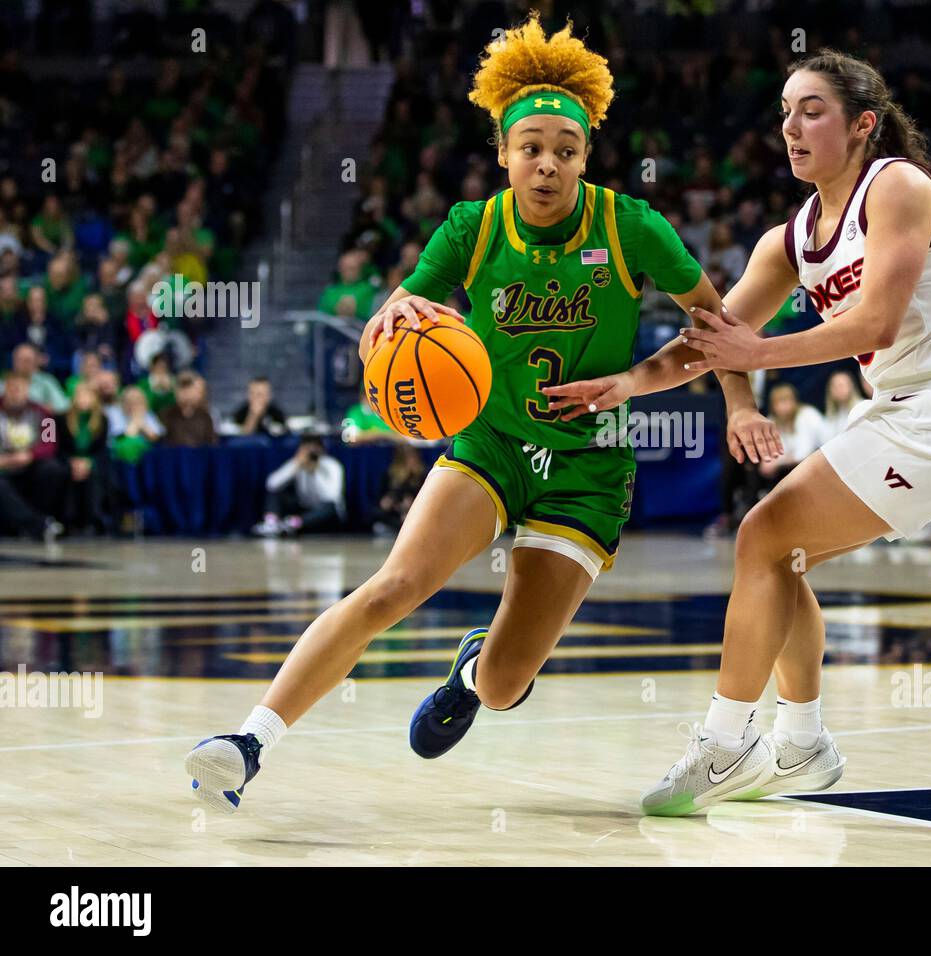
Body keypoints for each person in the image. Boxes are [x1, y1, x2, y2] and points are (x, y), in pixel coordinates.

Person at [183, 17, 769, 815]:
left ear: (586, 156)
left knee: (502, 682)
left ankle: (471, 673)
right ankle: (248, 743)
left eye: (566, 148)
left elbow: (718, 332)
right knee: (392, 587)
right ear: (503, 152)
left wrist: (640, 384)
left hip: (588, 471)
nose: (548, 164)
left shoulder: (633, 226)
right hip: (492, 442)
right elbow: (407, 304)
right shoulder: (474, 226)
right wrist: (385, 325)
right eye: (531, 147)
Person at [550, 49, 931, 814]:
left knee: (760, 538)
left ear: (863, 125)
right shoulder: (788, 239)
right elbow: (711, 337)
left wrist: (758, 356)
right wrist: (627, 384)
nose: (791, 127)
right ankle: (803, 746)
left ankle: (728, 745)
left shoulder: (896, 185)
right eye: (785, 113)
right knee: (780, 555)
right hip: (904, 414)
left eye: (812, 111)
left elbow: (876, 320)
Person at [0, 374, 65, 539]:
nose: (16, 393)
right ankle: (39, 525)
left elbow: (49, 444)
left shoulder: (43, 413)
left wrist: (30, 455)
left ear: (27, 391)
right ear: (5, 389)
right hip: (3, 468)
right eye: (12, 388)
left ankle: (36, 521)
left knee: (52, 468)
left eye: (20, 389)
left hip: (30, 465)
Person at [252, 436, 345, 537]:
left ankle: (292, 524)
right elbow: (271, 484)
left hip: (324, 511)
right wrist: (296, 464)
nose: (309, 453)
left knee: (329, 507)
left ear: (321, 450)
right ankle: (271, 525)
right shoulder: (297, 462)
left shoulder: (332, 465)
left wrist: (315, 471)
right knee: (276, 492)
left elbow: (332, 496)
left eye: (313, 449)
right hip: (302, 506)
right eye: (306, 449)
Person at [56, 380, 111, 534]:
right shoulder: (58, 419)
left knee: (95, 475)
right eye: (80, 395)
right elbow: (55, 447)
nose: (84, 399)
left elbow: (102, 449)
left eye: (88, 395)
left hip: (91, 462)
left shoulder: (103, 420)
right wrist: (71, 462)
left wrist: (89, 462)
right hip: (67, 461)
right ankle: (68, 521)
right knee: (66, 473)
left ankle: (93, 520)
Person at [371, 443, 426, 534]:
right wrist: (391, 503)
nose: (411, 462)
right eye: (408, 459)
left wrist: (411, 504)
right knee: (379, 524)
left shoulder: (422, 475)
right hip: (394, 514)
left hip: (415, 514)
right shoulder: (390, 475)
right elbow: (382, 500)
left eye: (413, 458)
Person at [5, 342, 68, 413]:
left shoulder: (47, 381)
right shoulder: (4, 382)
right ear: (14, 361)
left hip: (40, 421)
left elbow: (63, 406)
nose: (24, 364)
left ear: (35, 361)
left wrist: (44, 408)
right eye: (20, 360)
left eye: (28, 360)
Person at [160, 371, 218, 447]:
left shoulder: (205, 416)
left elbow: (212, 444)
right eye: (182, 388)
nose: (186, 393)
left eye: (189, 388)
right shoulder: (166, 415)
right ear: (175, 391)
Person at [822, 368, 864, 435]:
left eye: (841, 385)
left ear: (850, 386)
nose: (838, 390)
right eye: (834, 387)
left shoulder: (862, 407)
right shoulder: (831, 416)